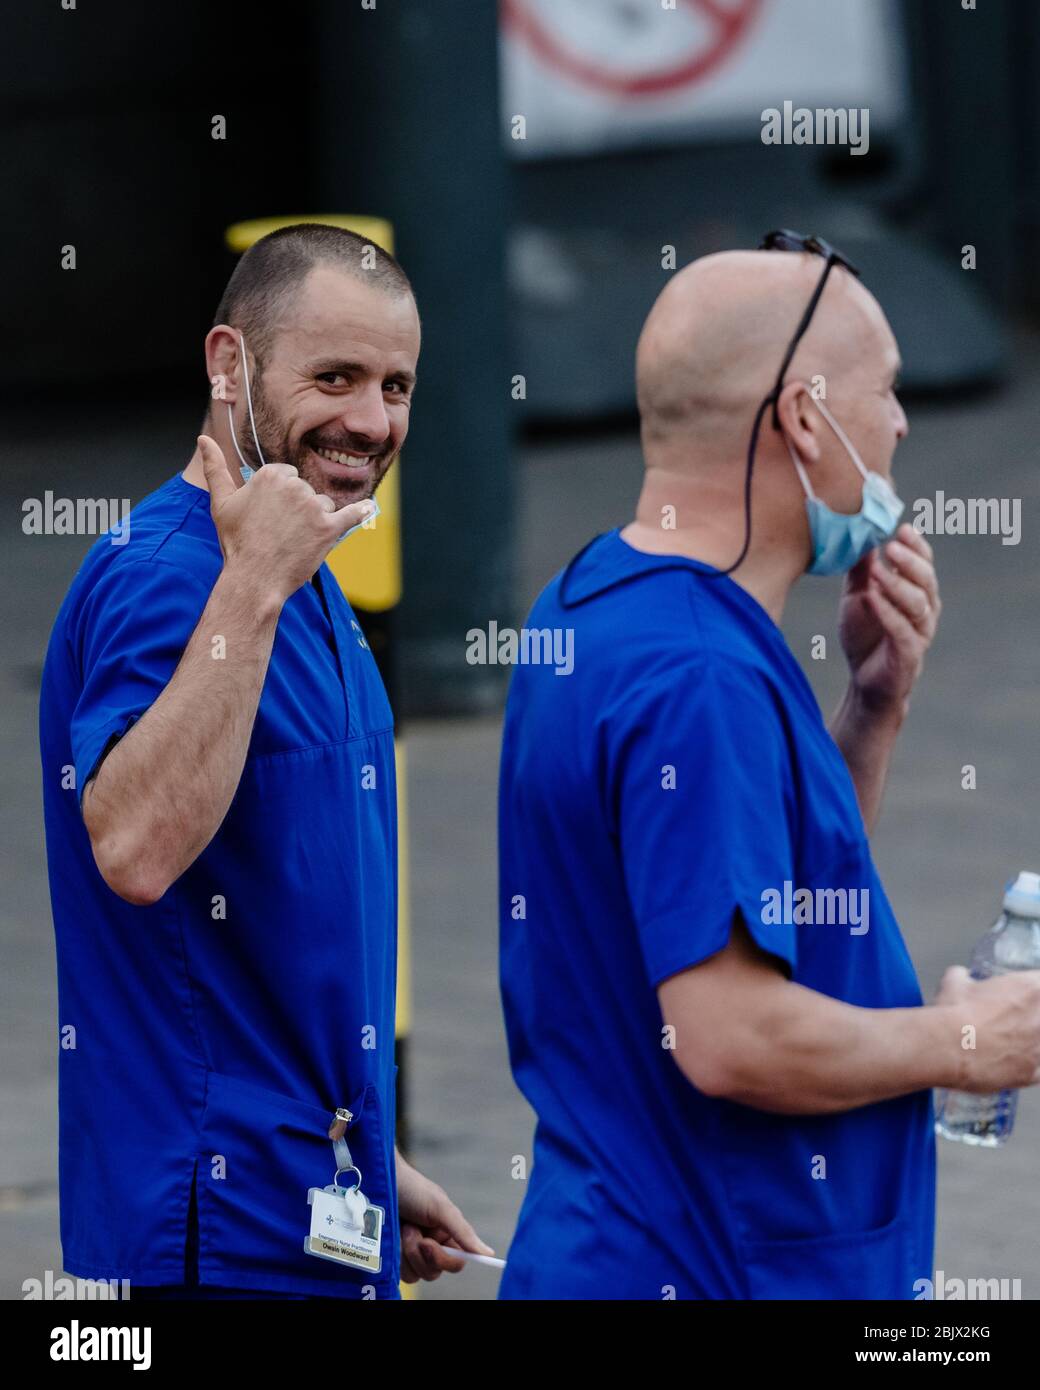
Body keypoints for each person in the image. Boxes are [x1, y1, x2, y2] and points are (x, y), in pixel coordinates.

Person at [497, 232, 1040, 1300]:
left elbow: (753, 896)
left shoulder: (596, 601)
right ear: (802, 416)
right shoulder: (700, 673)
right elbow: (730, 1036)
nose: (896, 423)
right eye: (881, 391)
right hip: (713, 1270)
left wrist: (869, 711)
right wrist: (961, 1041)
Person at [40, 223, 490, 1299]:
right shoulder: (179, 578)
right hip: (219, 1226)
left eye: (395, 385)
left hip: (309, 1194)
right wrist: (249, 587)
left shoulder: (299, 559)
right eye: (332, 377)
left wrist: (375, 1161)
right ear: (228, 364)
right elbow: (138, 846)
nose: (370, 421)